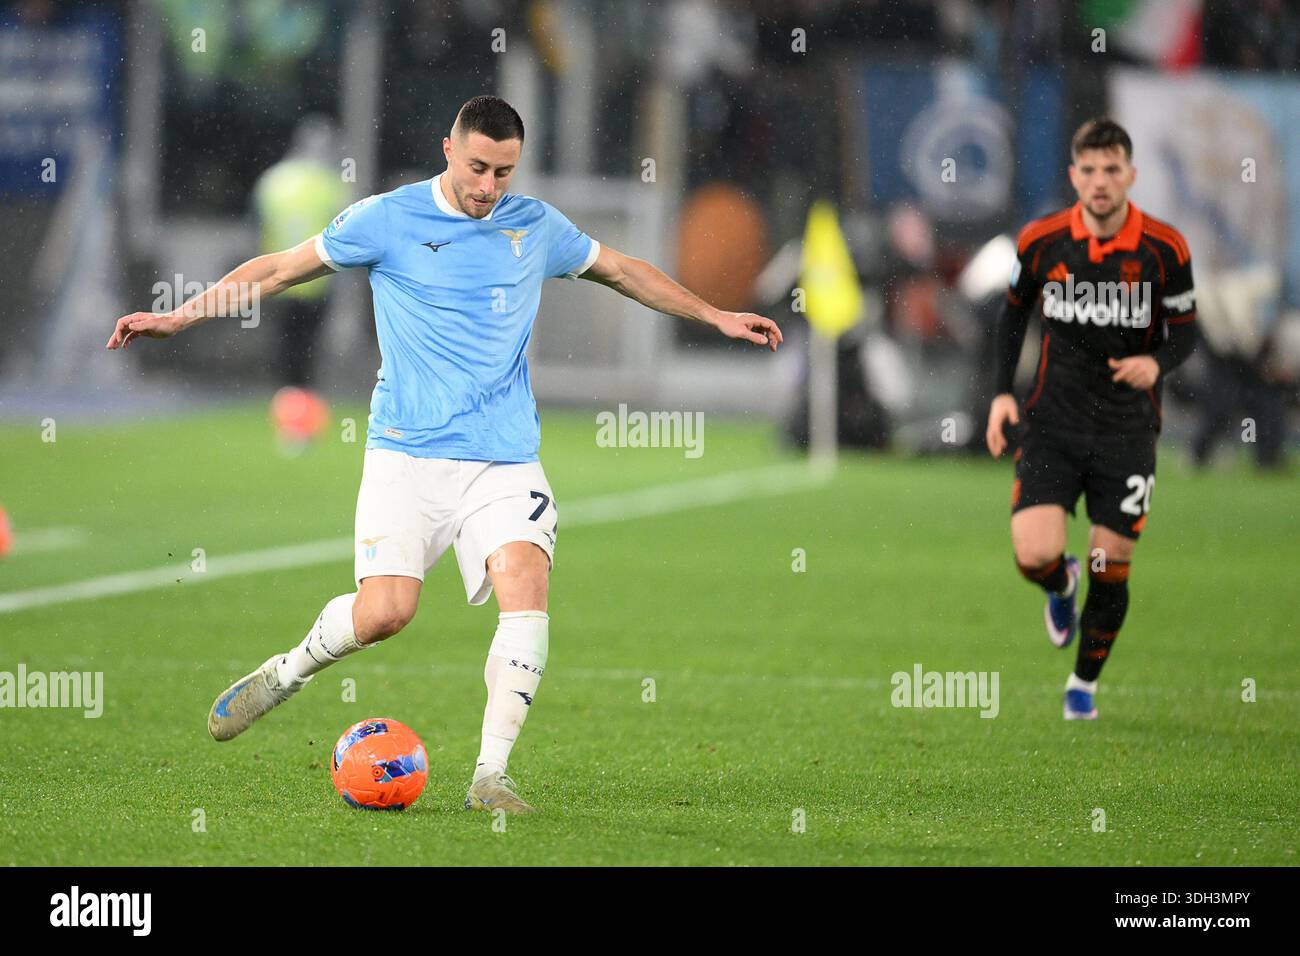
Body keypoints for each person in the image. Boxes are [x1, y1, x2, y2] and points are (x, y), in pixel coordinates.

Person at [107, 95, 783, 813]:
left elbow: (622, 270)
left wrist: (714, 315)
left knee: (525, 582)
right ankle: (288, 671)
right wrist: (180, 315)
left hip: (504, 457)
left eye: (504, 171)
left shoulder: (535, 227)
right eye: (477, 167)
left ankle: (490, 776)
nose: (489, 186)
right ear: (447, 150)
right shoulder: (387, 218)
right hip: (406, 453)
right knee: (385, 614)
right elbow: (278, 269)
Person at [984, 118, 1196, 720]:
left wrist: (1157, 364)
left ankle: (1084, 684)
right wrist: (1002, 393)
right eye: (1090, 170)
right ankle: (1059, 584)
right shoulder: (1042, 240)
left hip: (1127, 433)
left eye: (1112, 170)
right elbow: (1013, 314)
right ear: (1074, 175)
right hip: (1052, 424)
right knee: (1032, 555)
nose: (1101, 181)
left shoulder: (1165, 248)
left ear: (1130, 174)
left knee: (1113, 565)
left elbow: (1187, 332)